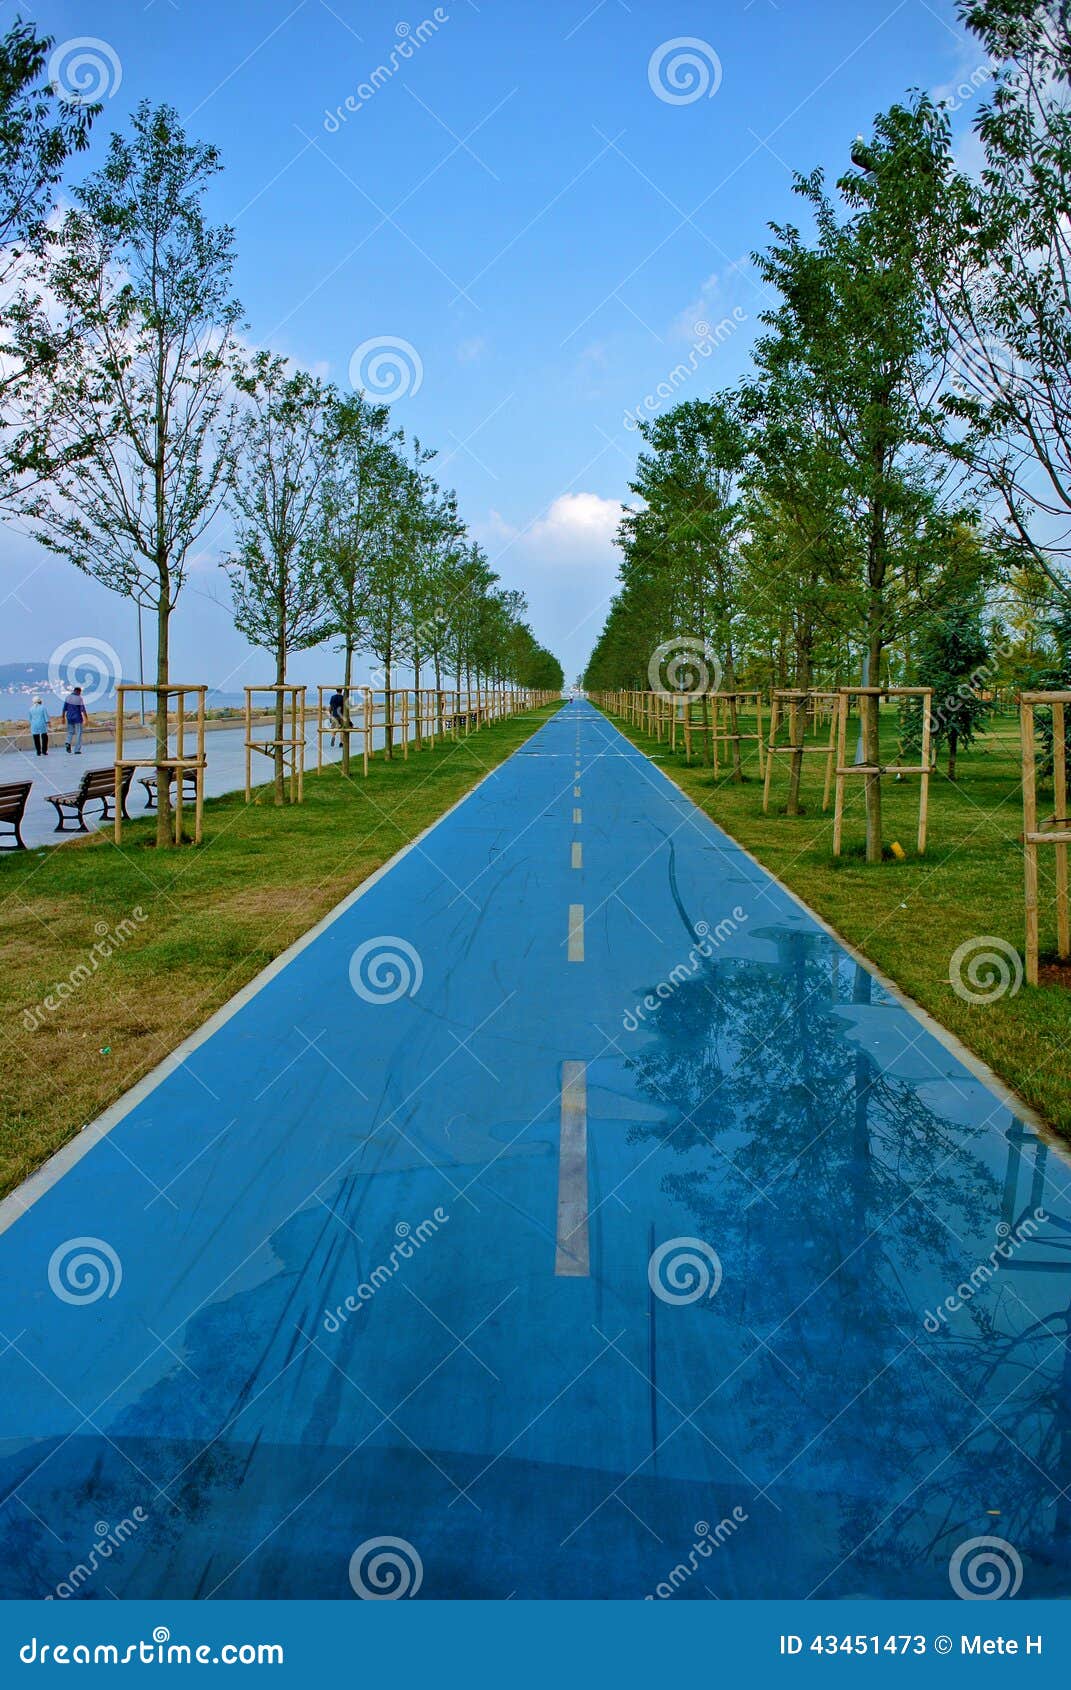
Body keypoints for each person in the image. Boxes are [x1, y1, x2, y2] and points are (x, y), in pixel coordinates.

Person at [62, 685, 89, 753]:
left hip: (69, 717)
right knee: (78, 733)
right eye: (80, 692)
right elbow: (83, 709)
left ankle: (67, 742)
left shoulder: (67, 697)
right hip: (77, 718)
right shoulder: (79, 698)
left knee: (70, 732)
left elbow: (64, 708)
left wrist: (63, 718)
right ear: (78, 691)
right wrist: (86, 718)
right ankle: (77, 750)